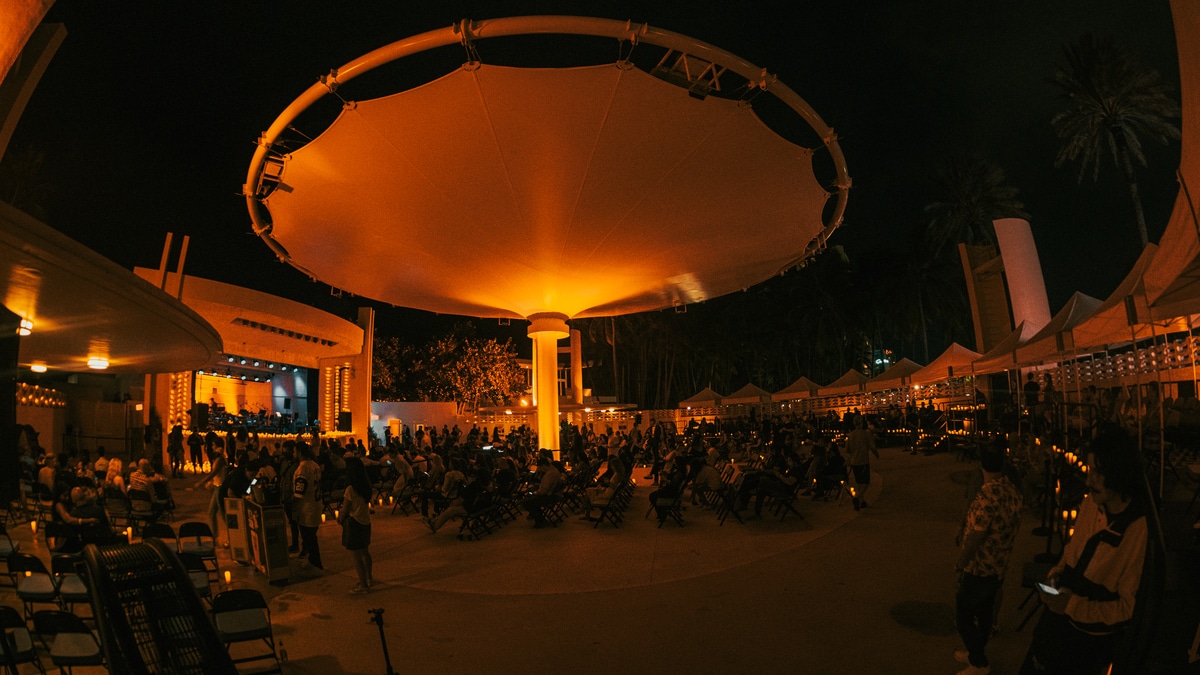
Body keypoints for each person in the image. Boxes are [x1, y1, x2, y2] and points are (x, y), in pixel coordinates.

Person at [1020, 430, 1149, 675]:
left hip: (1087, 641)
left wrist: (1072, 606)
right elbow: (1073, 549)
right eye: (1090, 470)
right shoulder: (1092, 502)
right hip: (1057, 622)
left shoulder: (1137, 530)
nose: (1089, 480)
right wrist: (1057, 573)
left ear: (1119, 472)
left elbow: (1127, 608)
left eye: (1098, 472)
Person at [954, 444, 1023, 675]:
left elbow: (976, 537)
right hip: (999, 563)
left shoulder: (987, 496)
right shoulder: (1011, 491)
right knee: (984, 613)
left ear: (982, 466)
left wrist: (961, 564)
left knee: (963, 615)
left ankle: (979, 663)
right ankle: (975, 653)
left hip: (980, 567)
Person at [340, 457, 374, 594]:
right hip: (365, 521)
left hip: (354, 523)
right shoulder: (366, 486)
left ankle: (363, 585)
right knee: (365, 552)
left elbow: (346, 509)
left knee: (356, 556)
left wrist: (340, 519)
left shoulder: (350, 489)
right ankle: (369, 577)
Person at [293, 442, 324, 577]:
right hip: (316, 505)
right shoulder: (315, 465)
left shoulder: (303, 469)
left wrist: (294, 508)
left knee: (310, 538)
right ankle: (311, 560)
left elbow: (299, 492)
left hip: (307, 508)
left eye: (295, 451)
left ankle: (316, 564)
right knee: (310, 537)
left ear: (299, 453)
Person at [844, 415, 879, 511]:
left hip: (854, 461)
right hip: (863, 460)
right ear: (862, 423)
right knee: (866, 482)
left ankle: (862, 501)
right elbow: (872, 446)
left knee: (859, 482)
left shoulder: (850, 435)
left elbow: (847, 450)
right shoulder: (865, 434)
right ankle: (857, 497)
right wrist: (876, 453)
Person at [523, 456, 561, 529]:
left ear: (543, 466)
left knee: (527, 503)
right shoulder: (555, 470)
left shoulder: (549, 474)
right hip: (554, 495)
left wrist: (535, 493)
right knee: (531, 499)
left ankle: (540, 520)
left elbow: (544, 490)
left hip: (549, 497)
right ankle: (541, 519)